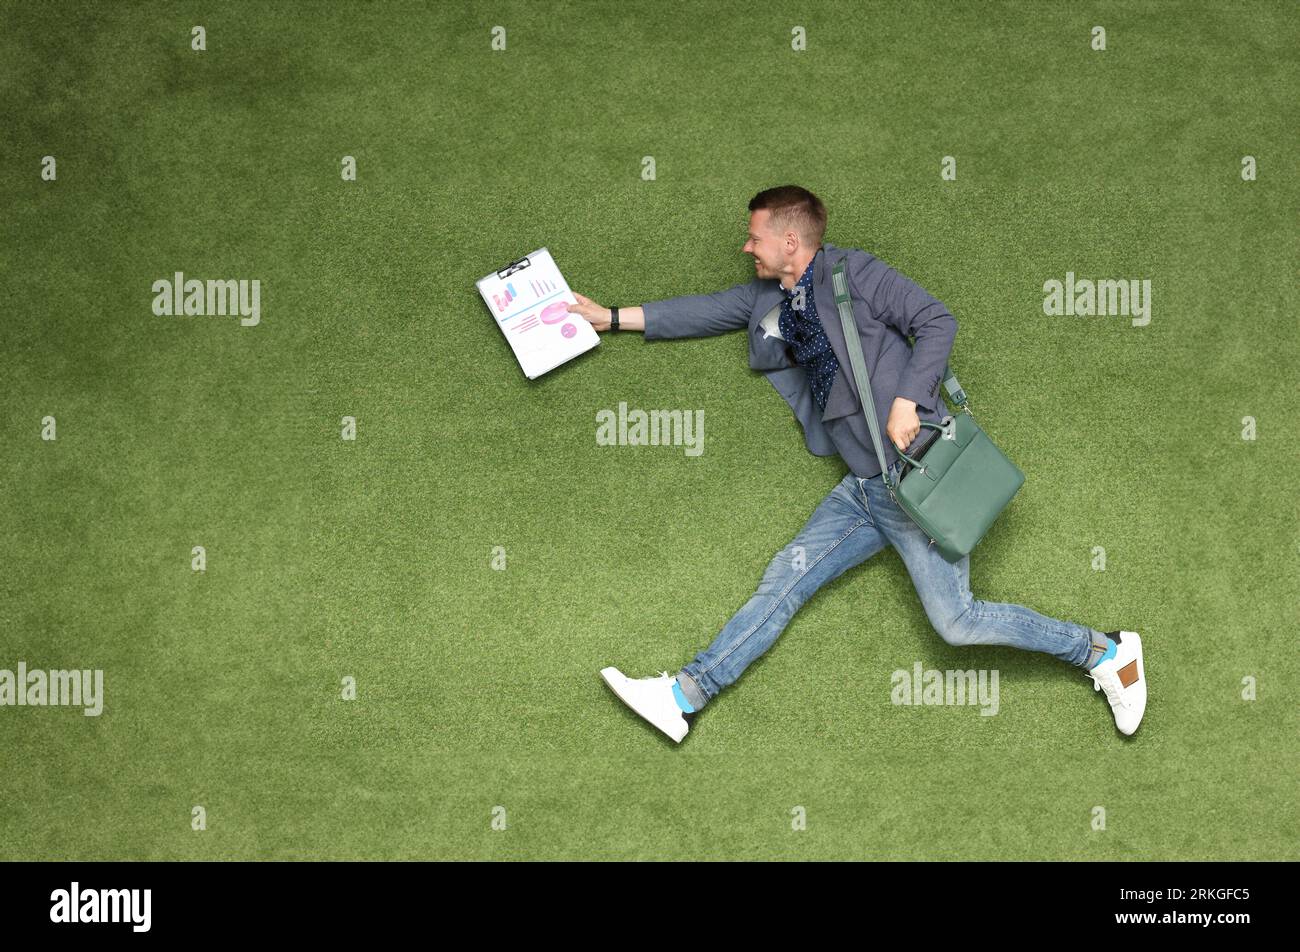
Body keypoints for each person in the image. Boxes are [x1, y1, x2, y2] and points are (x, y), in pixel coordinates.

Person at [567, 185, 1146, 743]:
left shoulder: (855, 274)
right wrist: (611, 317)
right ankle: (683, 697)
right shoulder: (770, 298)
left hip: (916, 475)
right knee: (786, 578)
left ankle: (1107, 653)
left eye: (754, 238)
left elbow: (937, 321)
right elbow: (708, 310)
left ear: (791, 240)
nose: (747, 248)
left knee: (957, 622)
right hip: (867, 489)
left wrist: (907, 399)